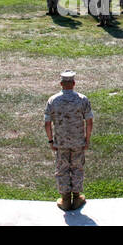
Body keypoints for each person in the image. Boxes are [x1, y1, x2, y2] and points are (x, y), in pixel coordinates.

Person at [44, 70, 93, 212]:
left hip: (61, 143)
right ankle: (77, 198)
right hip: (78, 142)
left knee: (62, 168)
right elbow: (89, 122)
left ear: (61, 84)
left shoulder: (53, 100)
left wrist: (50, 141)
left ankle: (65, 200)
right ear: (74, 83)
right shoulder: (83, 99)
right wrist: (87, 139)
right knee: (77, 168)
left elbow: (47, 123)